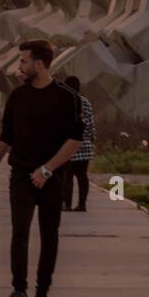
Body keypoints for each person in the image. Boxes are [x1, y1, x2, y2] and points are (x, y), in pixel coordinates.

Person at [0, 39, 83, 297]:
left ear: (39, 63)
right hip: (21, 176)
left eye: (24, 61)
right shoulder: (18, 96)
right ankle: (19, 290)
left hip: (53, 179)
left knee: (49, 235)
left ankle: (42, 294)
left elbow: (74, 140)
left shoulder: (66, 98)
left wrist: (47, 169)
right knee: (20, 233)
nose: (20, 67)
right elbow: (6, 137)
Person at [60, 76, 95, 211]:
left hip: (70, 145)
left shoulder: (66, 101)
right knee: (82, 176)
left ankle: (67, 203)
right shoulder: (86, 102)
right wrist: (91, 140)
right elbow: (91, 124)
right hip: (85, 145)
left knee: (67, 176)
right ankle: (82, 204)